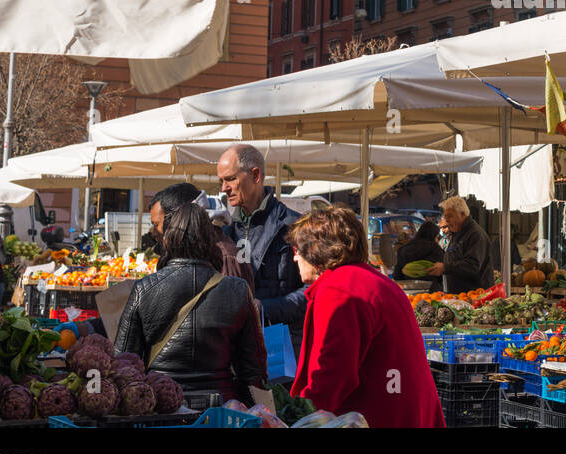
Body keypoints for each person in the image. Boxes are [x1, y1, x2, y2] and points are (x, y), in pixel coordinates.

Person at [289, 206, 445, 427]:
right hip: (406, 411)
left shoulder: (339, 290)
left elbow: (331, 374)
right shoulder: (370, 279)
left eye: (297, 249)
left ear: (316, 251)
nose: (295, 258)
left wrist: (305, 417)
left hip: (380, 415)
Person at [114, 204, 267, 403]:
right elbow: (254, 370)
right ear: (211, 241)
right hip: (221, 407)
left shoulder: (145, 288)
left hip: (160, 406)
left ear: (168, 240)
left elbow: (124, 362)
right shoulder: (237, 289)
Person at [218, 143, 307, 349]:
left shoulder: (295, 226)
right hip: (238, 346)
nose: (223, 188)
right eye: (221, 181)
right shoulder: (225, 233)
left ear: (255, 175)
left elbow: (315, 288)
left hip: (284, 346)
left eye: (230, 178)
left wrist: (267, 309)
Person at [427, 196, 493, 293]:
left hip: (475, 296)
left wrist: (445, 267)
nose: (447, 220)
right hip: (458, 296)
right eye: (445, 216)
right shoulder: (457, 233)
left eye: (449, 216)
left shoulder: (476, 235)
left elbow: (473, 266)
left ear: (462, 214)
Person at [392, 220, 444, 290]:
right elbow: (442, 274)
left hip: (408, 290)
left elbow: (397, 276)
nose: (437, 240)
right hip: (432, 291)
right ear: (433, 236)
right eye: (437, 237)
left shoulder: (403, 249)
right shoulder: (436, 249)